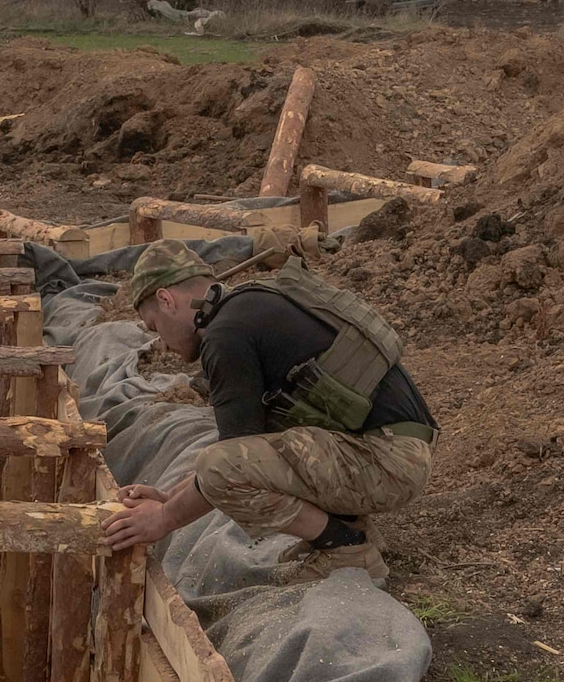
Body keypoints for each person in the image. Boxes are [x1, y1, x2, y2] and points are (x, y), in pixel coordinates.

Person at [98, 237, 438, 584]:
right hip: (398, 450)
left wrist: (164, 518)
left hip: (389, 463)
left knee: (223, 467)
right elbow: (250, 450)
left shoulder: (224, 336)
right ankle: (347, 528)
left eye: (155, 328)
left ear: (166, 300)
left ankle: (345, 547)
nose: (163, 345)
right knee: (240, 457)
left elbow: (230, 466)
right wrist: (169, 497)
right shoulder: (250, 303)